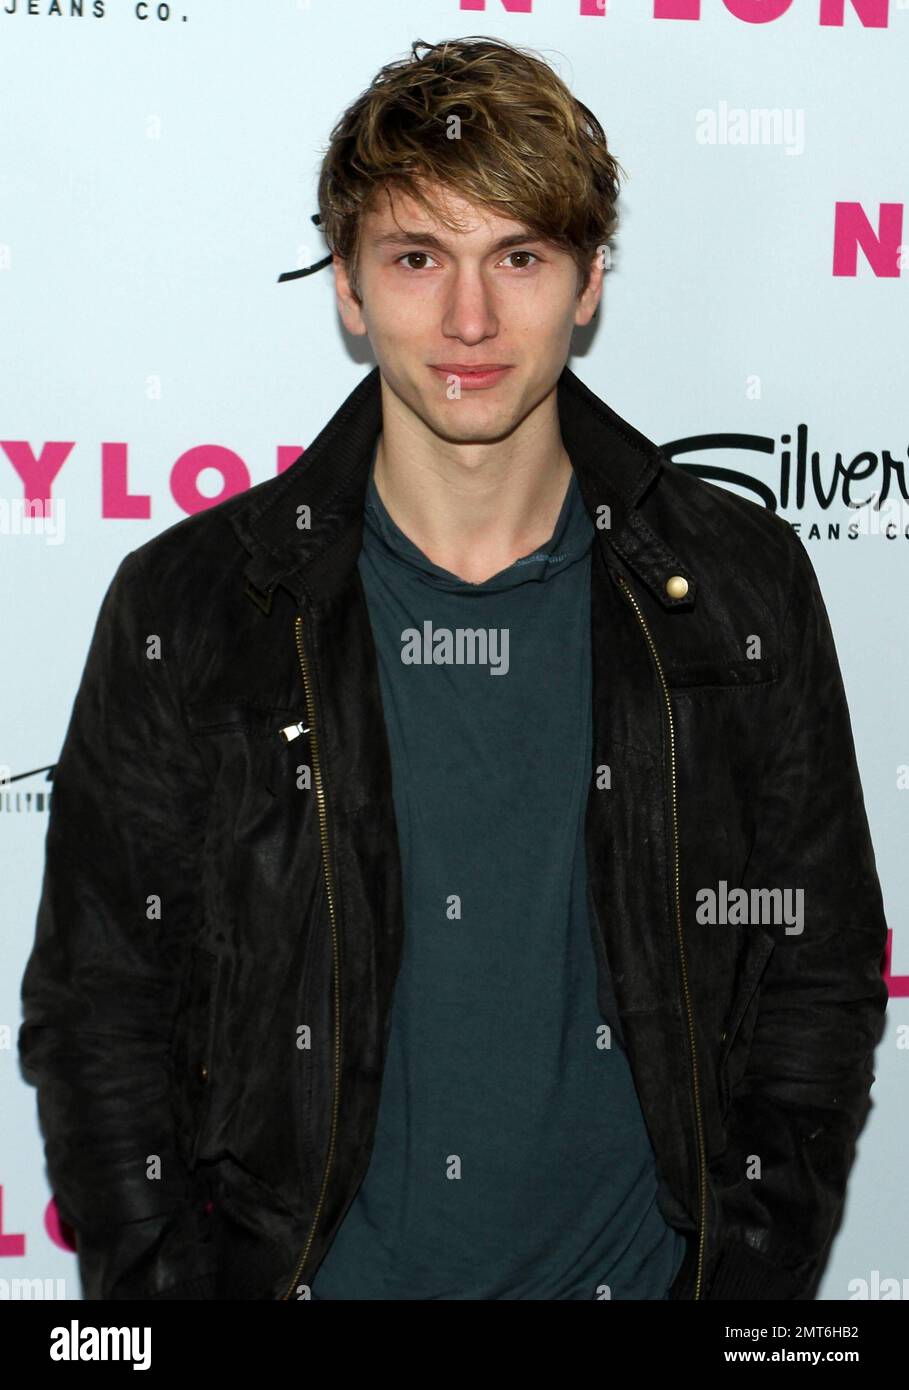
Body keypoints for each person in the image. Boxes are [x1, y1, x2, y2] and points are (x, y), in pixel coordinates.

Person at [19, 35, 888, 1301]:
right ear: (351, 290)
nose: (471, 320)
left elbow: (814, 961)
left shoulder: (734, 585)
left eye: (519, 257)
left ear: (589, 281)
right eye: (419, 258)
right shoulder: (201, 605)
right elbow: (102, 1009)